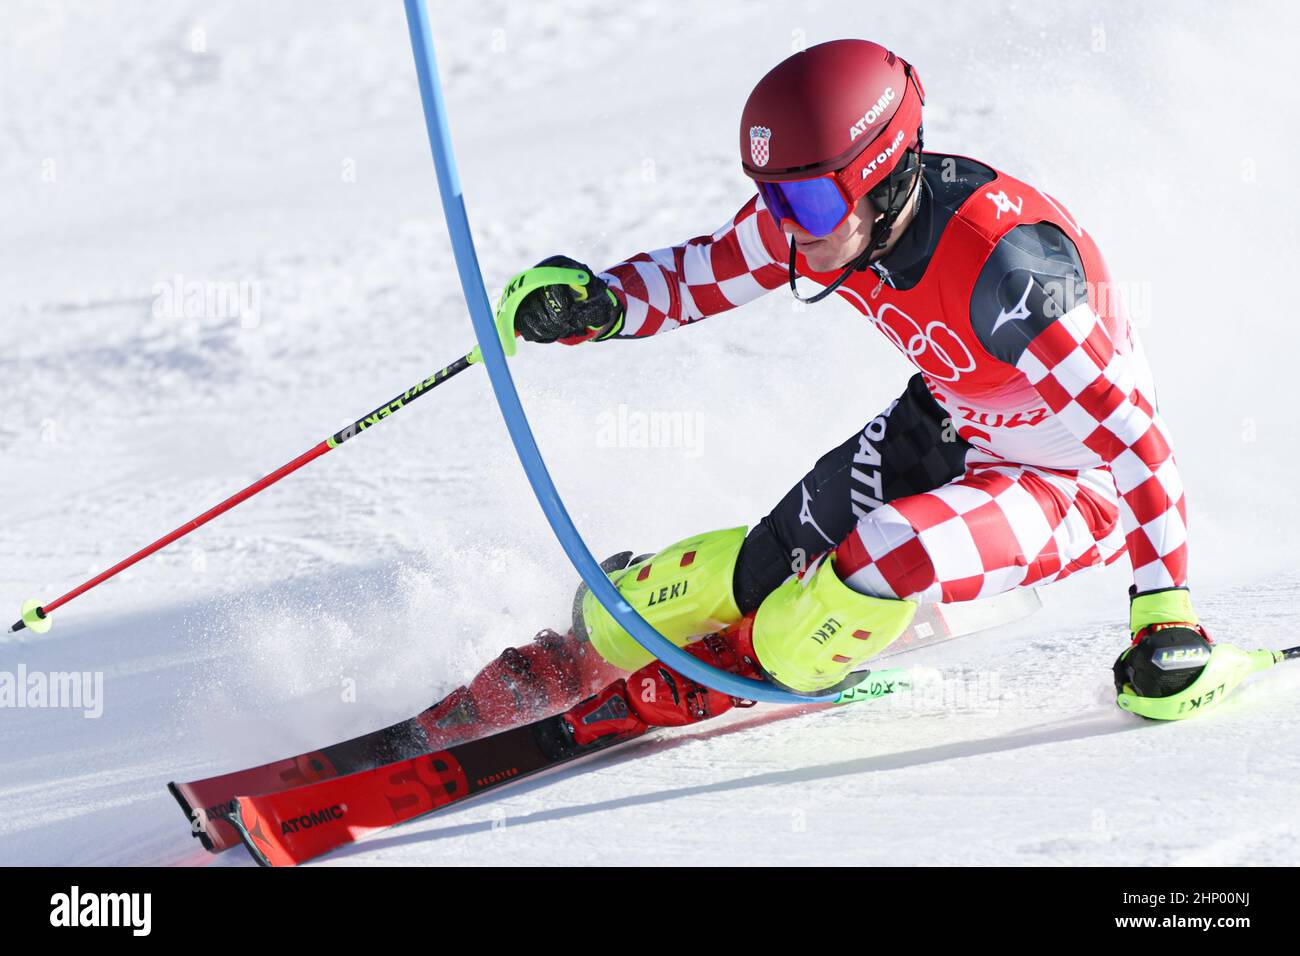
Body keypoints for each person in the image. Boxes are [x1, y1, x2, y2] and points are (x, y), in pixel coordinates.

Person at [427, 38, 1236, 745]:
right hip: (952, 423)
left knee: (887, 552)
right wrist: (595, 307)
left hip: (1074, 486)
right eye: (770, 193)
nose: (786, 222)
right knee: (757, 569)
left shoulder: (1013, 272)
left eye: (804, 196)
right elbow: (700, 275)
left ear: (882, 177)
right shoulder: (817, 221)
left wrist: (1163, 612)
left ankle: (752, 664)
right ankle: (596, 637)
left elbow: (1133, 438)